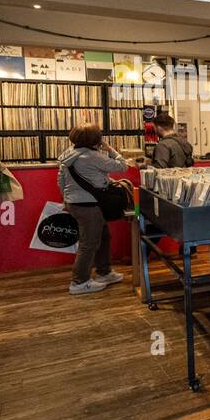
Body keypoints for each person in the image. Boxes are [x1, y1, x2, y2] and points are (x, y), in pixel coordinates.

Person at [58, 124, 130, 296]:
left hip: (76, 203)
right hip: (89, 205)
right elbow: (122, 166)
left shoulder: (68, 155)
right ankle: (79, 282)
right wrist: (110, 149)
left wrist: (66, 199)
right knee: (88, 243)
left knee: (103, 236)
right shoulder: (92, 156)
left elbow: (60, 181)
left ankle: (104, 272)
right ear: (96, 139)